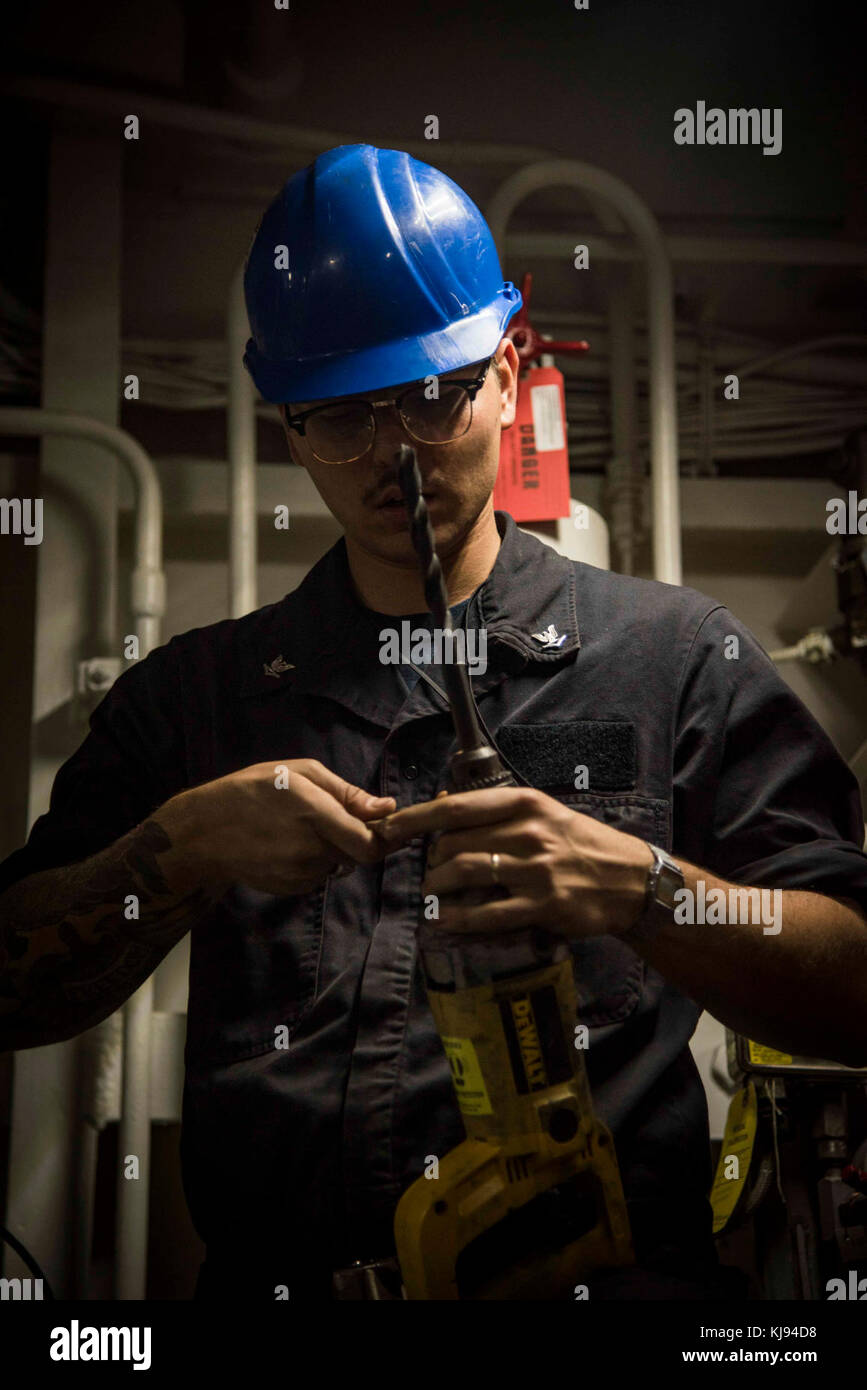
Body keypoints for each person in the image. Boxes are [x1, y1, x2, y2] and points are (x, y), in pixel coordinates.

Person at [1, 145, 865, 1302]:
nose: (392, 452)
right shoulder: (196, 702)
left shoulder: (672, 660)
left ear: (507, 371)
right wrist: (178, 852)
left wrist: (643, 890)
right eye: (340, 420)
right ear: (288, 422)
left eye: (431, 395)